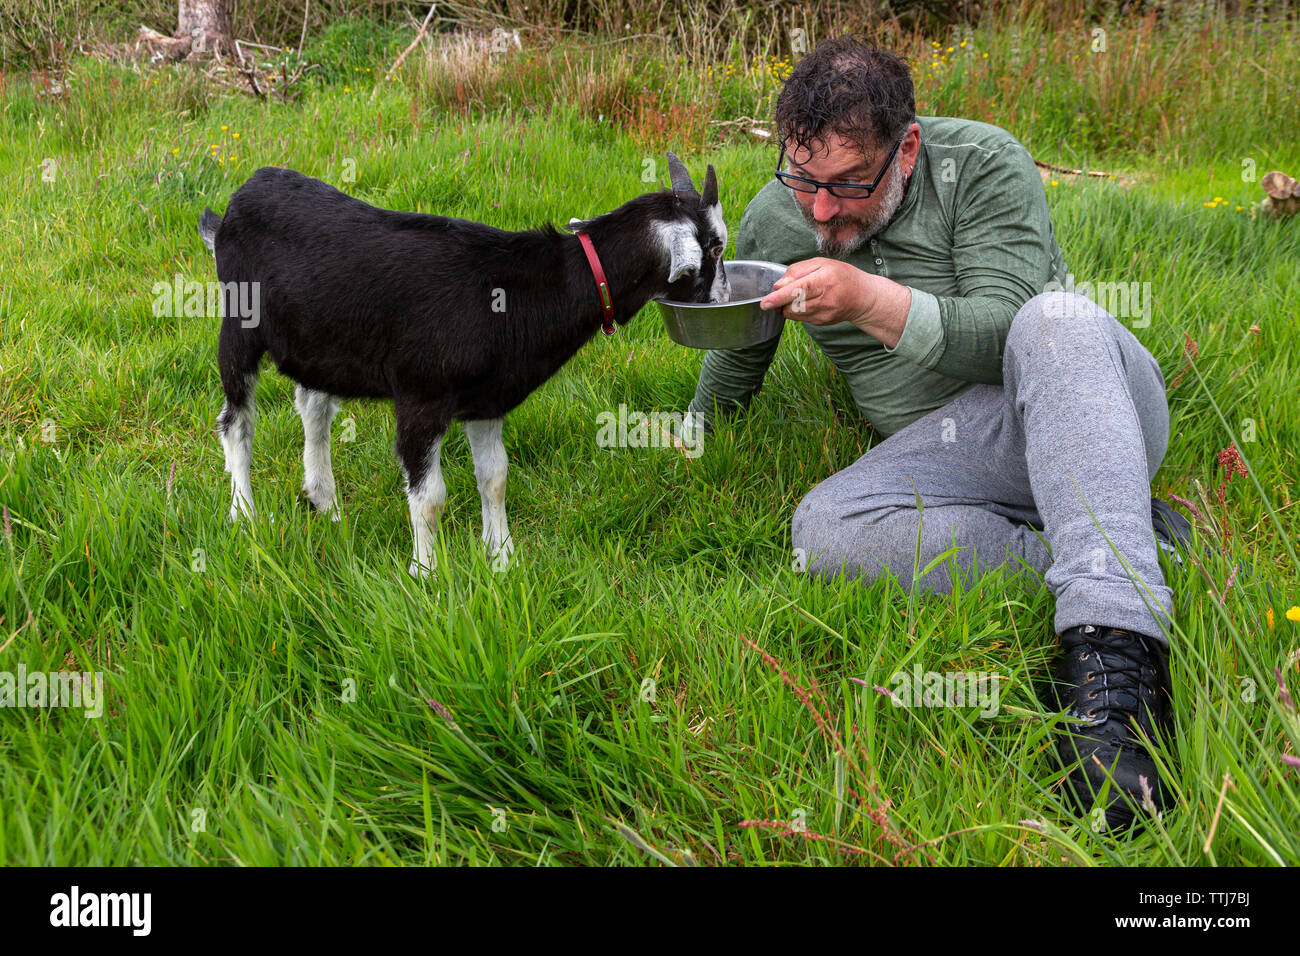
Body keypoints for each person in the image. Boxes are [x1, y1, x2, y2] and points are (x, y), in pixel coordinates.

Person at [687, 36, 1188, 830]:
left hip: (1082, 401)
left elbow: (1006, 330)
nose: (819, 209)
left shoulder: (983, 164)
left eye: (849, 184)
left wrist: (864, 299)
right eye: (803, 179)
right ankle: (1124, 539)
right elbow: (741, 343)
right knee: (825, 531)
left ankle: (1114, 668)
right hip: (949, 455)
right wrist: (690, 438)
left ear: (908, 148)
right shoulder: (777, 215)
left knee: (1054, 318)